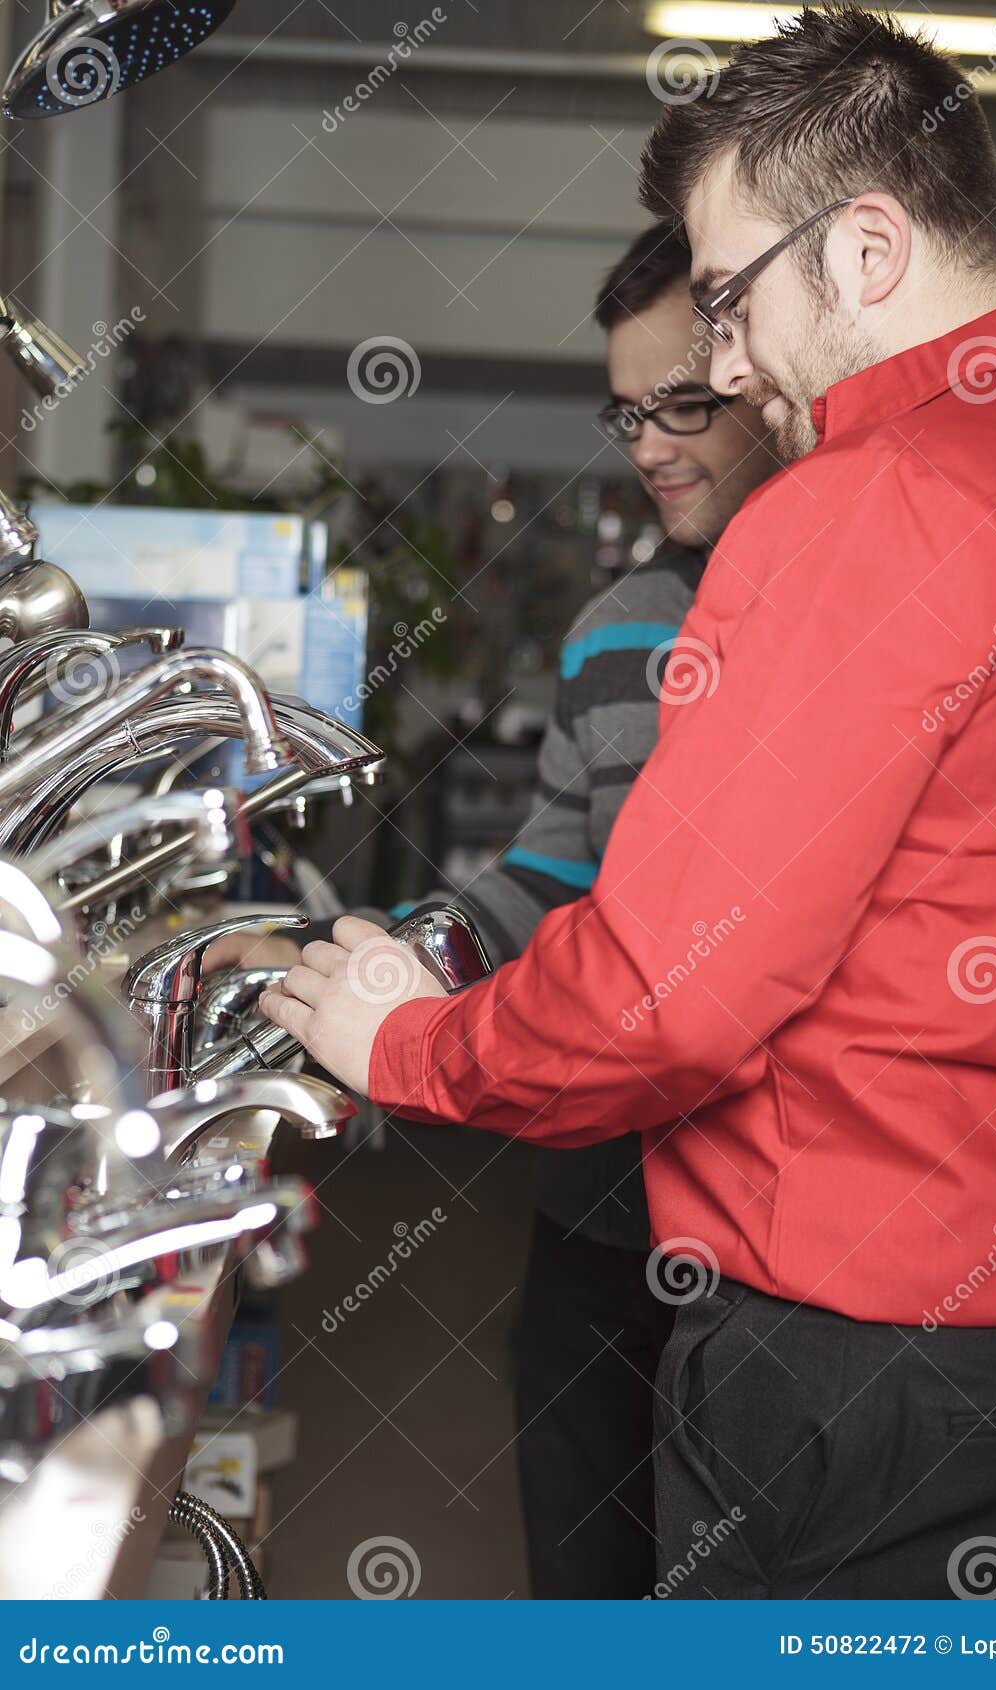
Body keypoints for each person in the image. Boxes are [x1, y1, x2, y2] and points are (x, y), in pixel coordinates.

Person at [260, 4, 996, 1597]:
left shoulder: (868, 501)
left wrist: (407, 1042)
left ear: (871, 247)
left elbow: (673, 993)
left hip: (861, 1369)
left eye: (730, 301)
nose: (726, 365)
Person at [209, 226, 776, 1597]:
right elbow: (548, 875)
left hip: (771, 1252)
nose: (649, 448)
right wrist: (352, 959)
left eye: (683, 406)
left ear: (769, 377)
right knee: (584, 1578)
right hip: (600, 1219)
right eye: (627, 413)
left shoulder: (841, 617)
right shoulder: (616, 626)